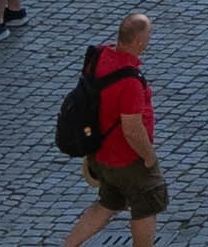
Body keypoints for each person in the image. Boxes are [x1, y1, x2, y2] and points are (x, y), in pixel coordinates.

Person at [59, 15, 162, 247]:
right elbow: (132, 129)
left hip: (101, 154)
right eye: (148, 37)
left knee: (108, 204)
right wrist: (148, 157)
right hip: (126, 159)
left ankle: (68, 246)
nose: (149, 42)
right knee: (147, 204)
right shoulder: (130, 81)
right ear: (138, 43)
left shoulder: (100, 57)